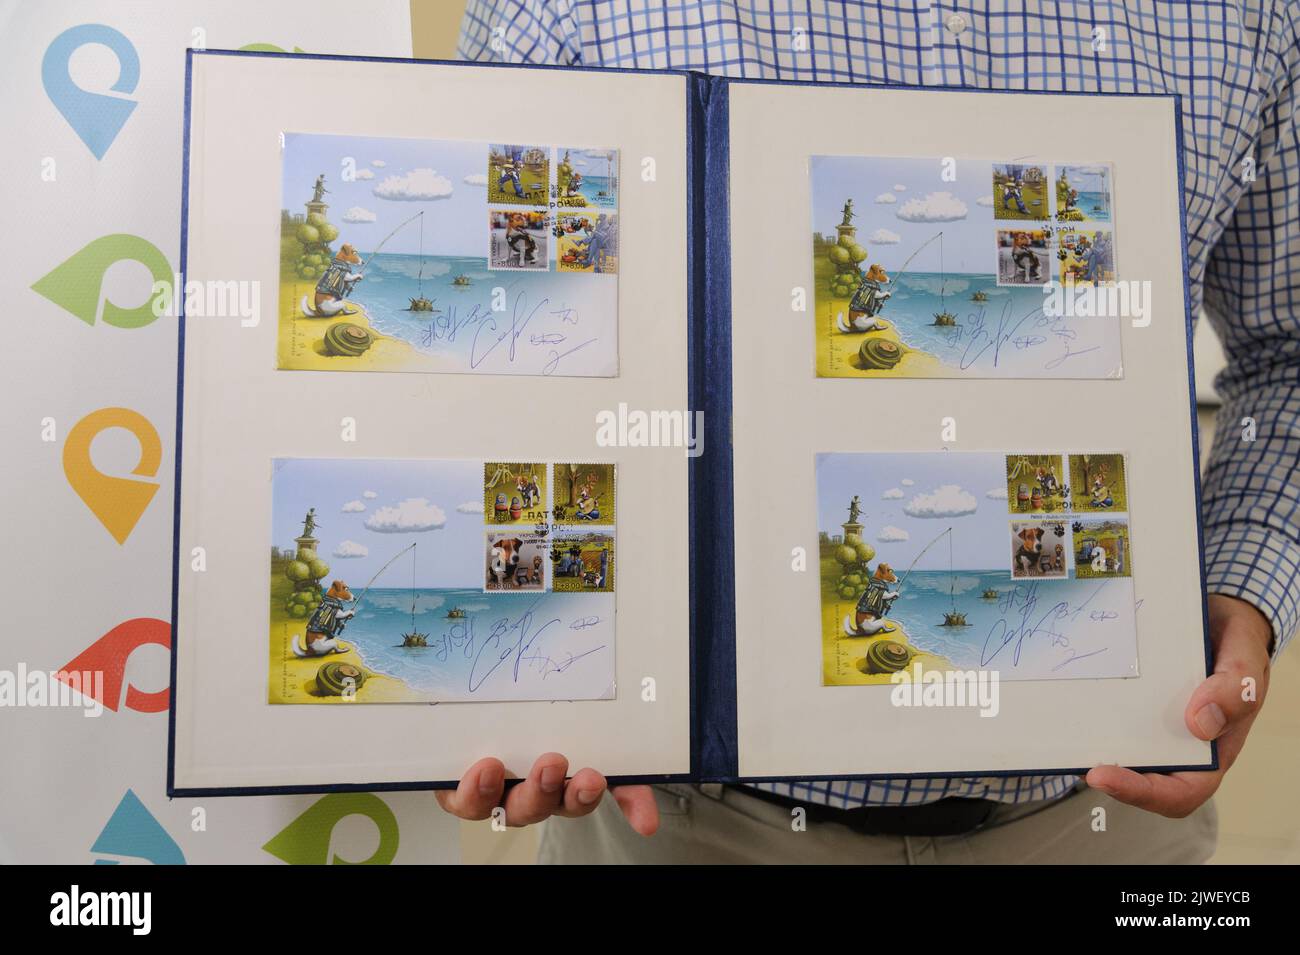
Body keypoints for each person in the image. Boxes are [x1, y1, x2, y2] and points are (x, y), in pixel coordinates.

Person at [443, 0, 1296, 864]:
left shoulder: (1251, 16)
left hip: (1105, 822)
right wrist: (476, 701)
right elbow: (496, 341)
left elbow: (1287, 354)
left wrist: (1242, 593)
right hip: (690, 831)